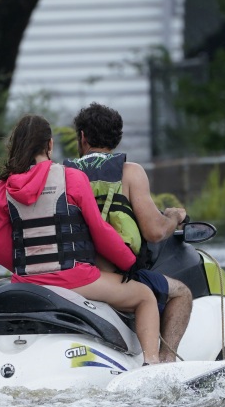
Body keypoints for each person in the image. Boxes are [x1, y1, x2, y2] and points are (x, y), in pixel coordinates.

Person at [0, 114, 163, 365]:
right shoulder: (70, 177)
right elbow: (99, 231)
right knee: (145, 296)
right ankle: (152, 365)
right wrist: (128, 263)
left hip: (26, 283)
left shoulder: (3, 187)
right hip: (74, 279)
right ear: (50, 145)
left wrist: (33, 271)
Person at [65, 102, 192, 363]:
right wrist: (174, 216)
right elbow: (154, 232)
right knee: (181, 293)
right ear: (117, 138)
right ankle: (166, 362)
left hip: (71, 272)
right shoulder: (130, 172)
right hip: (111, 276)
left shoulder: (64, 174)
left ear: (82, 137)